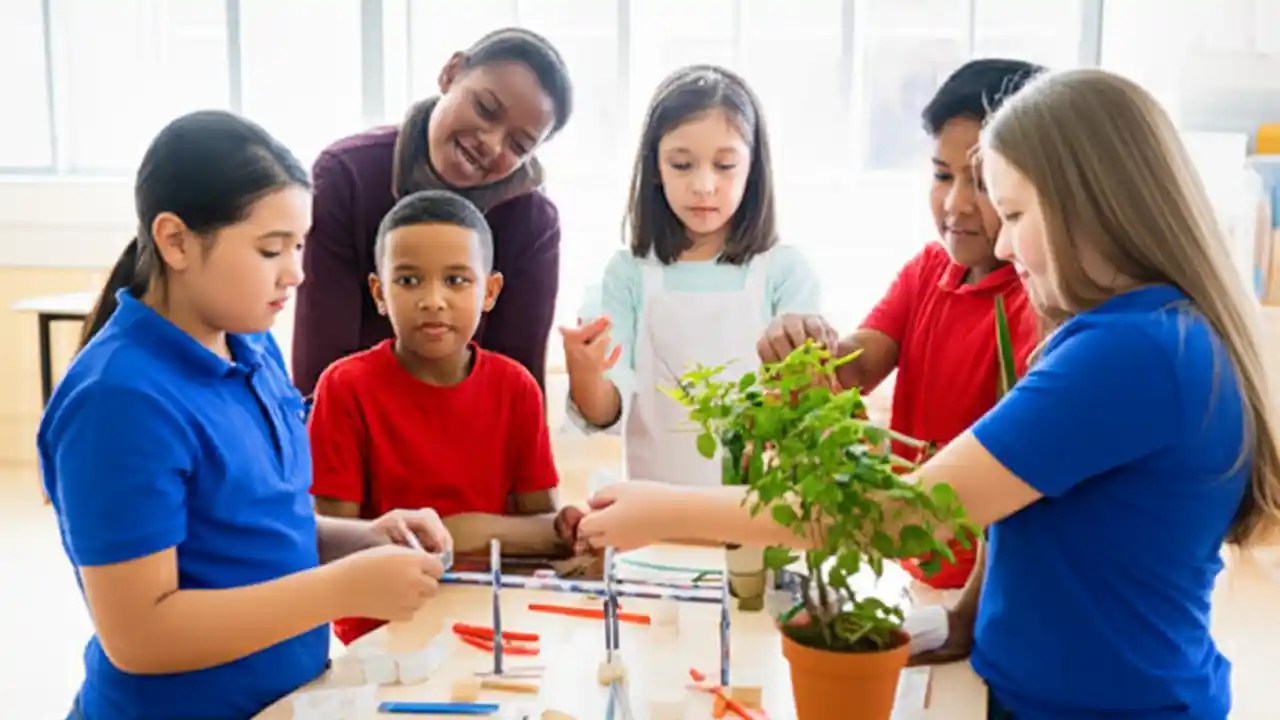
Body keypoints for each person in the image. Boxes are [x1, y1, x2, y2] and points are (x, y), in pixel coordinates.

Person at [577, 68, 1280, 719]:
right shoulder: (1132, 334)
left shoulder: (1133, 355)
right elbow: (1013, 502)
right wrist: (967, 621)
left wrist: (666, 509)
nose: (1003, 249)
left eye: (1016, 215)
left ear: (1089, 206)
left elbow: (903, 515)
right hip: (1042, 688)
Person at [39, 111, 453, 720]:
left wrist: (361, 538)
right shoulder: (118, 401)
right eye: (271, 249)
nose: (297, 273)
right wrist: (343, 589)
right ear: (175, 240)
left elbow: (245, 532)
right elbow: (141, 635)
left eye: (301, 245)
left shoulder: (249, 343)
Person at [757, 58, 1045, 591]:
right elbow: (856, 362)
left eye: (981, 183)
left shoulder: (1040, 308)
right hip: (909, 567)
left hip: (991, 586)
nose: (955, 204)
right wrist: (807, 348)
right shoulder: (928, 270)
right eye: (940, 175)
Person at [309, 189, 584, 645]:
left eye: (456, 281)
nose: (433, 300)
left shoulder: (516, 387)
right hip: (384, 628)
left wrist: (462, 531)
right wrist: (484, 533)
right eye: (409, 280)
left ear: (490, 291)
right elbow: (337, 544)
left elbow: (546, 530)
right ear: (379, 292)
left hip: (493, 615)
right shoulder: (344, 387)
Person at [561, 64, 821, 487]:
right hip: (654, 514)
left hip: (753, 517)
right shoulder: (629, 274)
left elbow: (803, 401)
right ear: (656, 169)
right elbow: (604, 414)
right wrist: (585, 372)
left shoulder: (783, 272)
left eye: (724, 165)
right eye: (682, 165)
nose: (703, 185)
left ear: (752, 170)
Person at [292, 27, 573, 398]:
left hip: (465, 434)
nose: (490, 143)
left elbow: (518, 386)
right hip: (355, 424)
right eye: (486, 109)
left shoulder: (531, 222)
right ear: (451, 72)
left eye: (518, 144)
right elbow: (322, 367)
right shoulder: (349, 175)